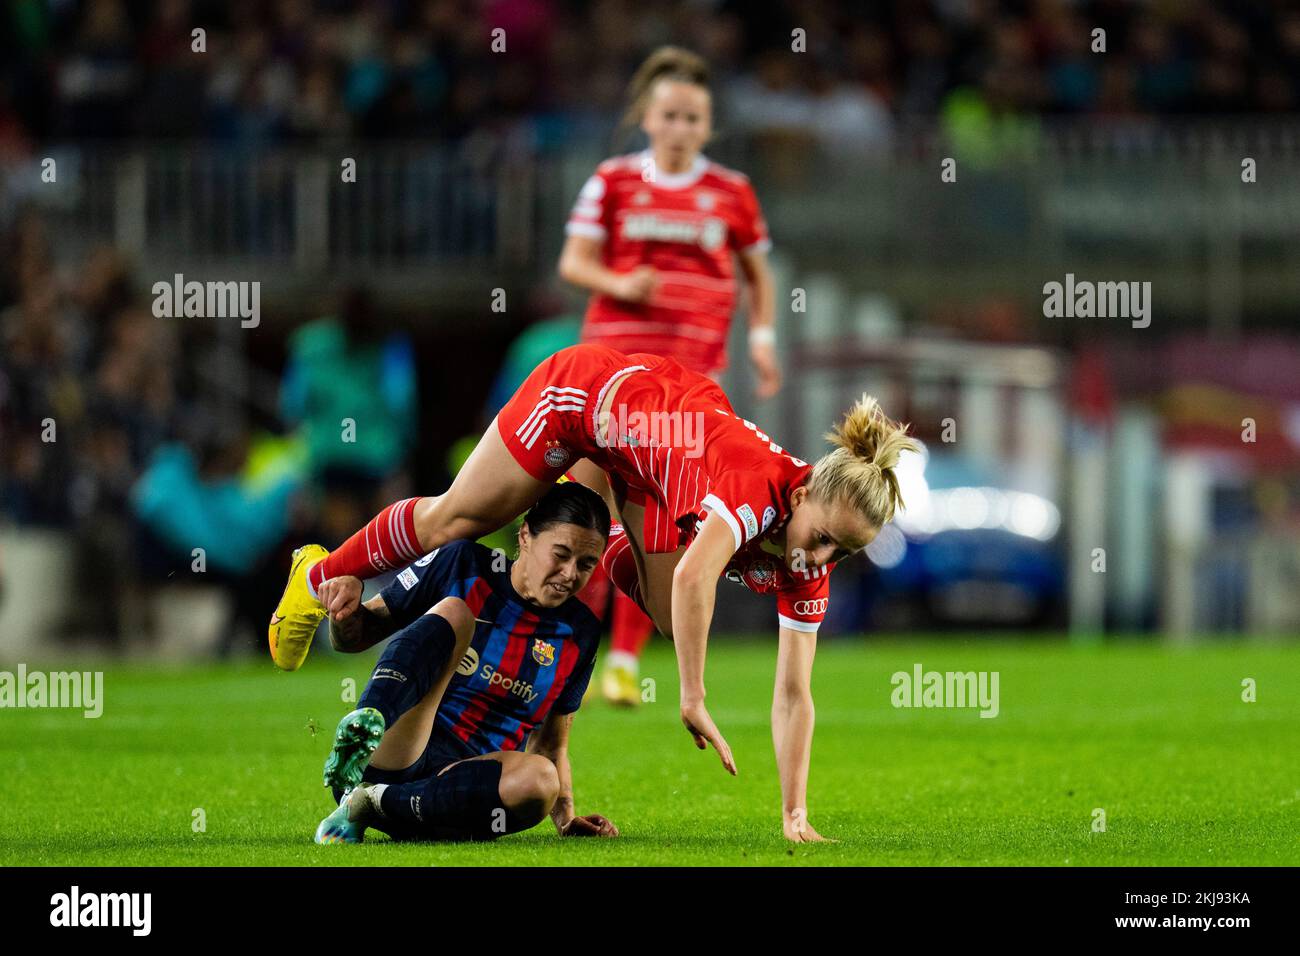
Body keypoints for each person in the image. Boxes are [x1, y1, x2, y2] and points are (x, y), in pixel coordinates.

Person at [272, 342, 916, 840]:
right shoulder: (756, 488)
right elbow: (697, 576)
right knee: (462, 519)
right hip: (582, 396)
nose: (821, 557)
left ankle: (607, 491)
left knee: (669, 617)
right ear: (802, 492)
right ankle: (319, 575)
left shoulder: (809, 550)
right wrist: (692, 696)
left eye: (845, 552)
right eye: (826, 537)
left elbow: (795, 693)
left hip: (651, 438)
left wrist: (794, 810)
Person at [558, 46, 781, 704]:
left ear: (707, 126)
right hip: (612, 378)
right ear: (646, 119)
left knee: (663, 515)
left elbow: (759, 277)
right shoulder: (614, 180)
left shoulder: (731, 193)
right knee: (586, 509)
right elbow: (574, 261)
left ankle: (625, 661)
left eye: (694, 117)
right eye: (670, 115)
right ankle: (560, 647)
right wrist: (619, 281)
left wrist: (763, 339)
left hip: (687, 385)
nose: (682, 127)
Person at [313, 482, 618, 843]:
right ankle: (367, 729)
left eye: (586, 564)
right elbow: (357, 636)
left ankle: (368, 804)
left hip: (461, 791)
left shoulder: (580, 631)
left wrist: (566, 819)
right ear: (525, 536)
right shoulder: (463, 564)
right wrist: (343, 611)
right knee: (456, 611)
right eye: (561, 554)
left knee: (541, 780)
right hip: (398, 755)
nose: (570, 574)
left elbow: (551, 745)